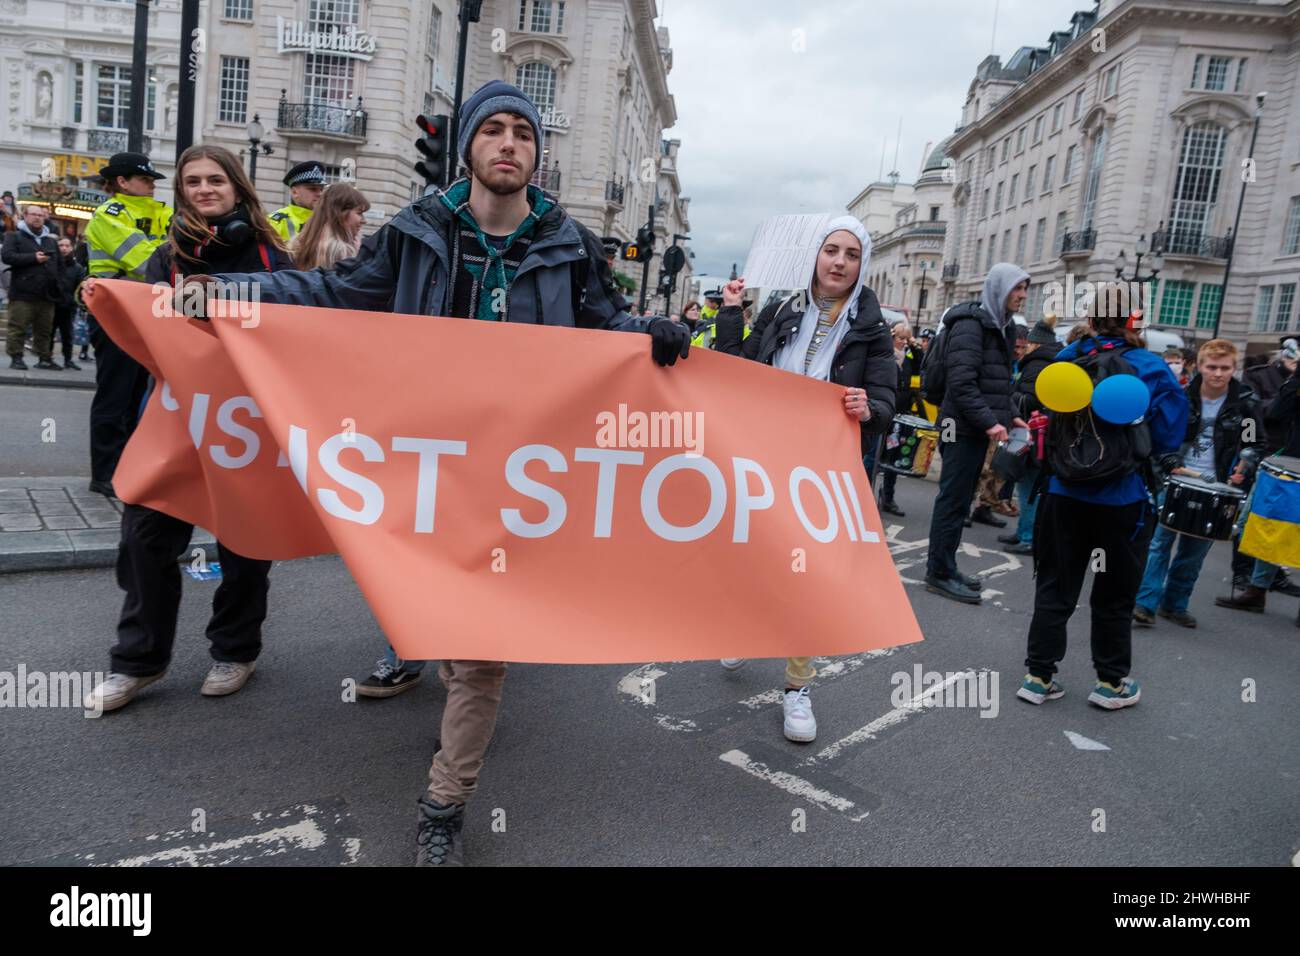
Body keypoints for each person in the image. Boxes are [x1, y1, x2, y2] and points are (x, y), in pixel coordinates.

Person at [177, 80, 686, 865]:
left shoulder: (570, 242)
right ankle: (431, 657)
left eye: (524, 132)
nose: (509, 143)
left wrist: (650, 330)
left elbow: (606, 323)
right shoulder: (417, 232)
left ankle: (444, 803)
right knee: (437, 620)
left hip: (520, 478)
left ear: (535, 157)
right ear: (471, 148)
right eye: (495, 131)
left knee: (481, 650)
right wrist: (232, 292)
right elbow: (334, 293)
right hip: (425, 467)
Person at [81, 144, 294, 719]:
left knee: (244, 543)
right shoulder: (167, 256)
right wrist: (107, 304)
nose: (204, 189)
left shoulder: (272, 255)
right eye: (193, 181)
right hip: (177, 420)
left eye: (215, 180)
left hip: (244, 425)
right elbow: (145, 325)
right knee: (145, 535)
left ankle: (236, 650)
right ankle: (138, 660)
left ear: (237, 186)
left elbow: (301, 329)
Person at [711, 214, 896, 744]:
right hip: (768, 453)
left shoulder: (871, 325)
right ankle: (748, 624)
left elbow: (887, 397)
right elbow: (736, 368)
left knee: (811, 574)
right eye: (831, 250)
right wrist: (729, 314)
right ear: (815, 255)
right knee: (757, 550)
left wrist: (870, 406)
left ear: (862, 265)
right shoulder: (781, 309)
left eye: (852, 254)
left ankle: (797, 688)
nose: (839, 262)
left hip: (825, 465)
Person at [1016, 285, 1187, 710]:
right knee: (1114, 592)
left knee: (1056, 585)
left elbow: (1034, 400)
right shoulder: (1150, 366)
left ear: (1089, 319)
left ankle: (1039, 677)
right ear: (1135, 321)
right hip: (1122, 499)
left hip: (1063, 492)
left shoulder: (1066, 359)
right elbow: (1169, 434)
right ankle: (1110, 683)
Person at [1133, 339, 1258, 628]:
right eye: (1212, 367)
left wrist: (1245, 461)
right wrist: (1168, 463)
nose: (1217, 373)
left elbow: (1254, 441)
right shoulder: (1180, 397)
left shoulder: (1245, 403)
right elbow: (1160, 436)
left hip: (1218, 487)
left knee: (1194, 552)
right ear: (1199, 366)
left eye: (1224, 368)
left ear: (1233, 369)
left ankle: (1175, 604)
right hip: (1176, 479)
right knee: (1160, 543)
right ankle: (1145, 603)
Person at [924, 263, 1029, 604]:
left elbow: (999, 384)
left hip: (976, 425)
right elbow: (962, 382)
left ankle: (947, 565)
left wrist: (1012, 417)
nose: (1023, 295)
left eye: (1025, 289)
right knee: (952, 498)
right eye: (1018, 288)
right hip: (958, 425)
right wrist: (990, 422)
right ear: (1000, 289)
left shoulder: (1004, 326)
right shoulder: (971, 325)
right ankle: (938, 572)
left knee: (962, 498)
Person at [84, 152, 172, 498]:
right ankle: (104, 473)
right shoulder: (108, 215)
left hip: (146, 314)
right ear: (122, 182)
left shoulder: (162, 212)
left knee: (140, 396)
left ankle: (129, 467)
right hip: (115, 313)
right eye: (146, 180)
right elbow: (147, 262)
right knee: (115, 396)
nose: (151, 186)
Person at [1216, 355, 1300, 617]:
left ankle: (1257, 588)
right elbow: (1276, 413)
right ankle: (1256, 589)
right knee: (1273, 526)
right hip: (1293, 463)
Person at [997, 314, 1061, 555]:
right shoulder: (1051, 361)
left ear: (1035, 344)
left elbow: (1032, 398)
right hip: (1042, 433)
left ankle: (1027, 537)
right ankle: (1023, 531)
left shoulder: (1036, 364)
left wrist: (1009, 397)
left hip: (1033, 433)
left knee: (1028, 487)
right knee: (1029, 486)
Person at [2, 204, 63, 370]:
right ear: (25, 216)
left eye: (40, 215)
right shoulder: (14, 236)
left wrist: (59, 284)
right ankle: (16, 357)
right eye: (33, 214)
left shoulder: (50, 240)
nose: (37, 217)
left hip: (47, 293)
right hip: (23, 293)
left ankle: (44, 358)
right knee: (18, 327)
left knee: (44, 330)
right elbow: (7, 257)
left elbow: (59, 265)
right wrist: (33, 258)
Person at [879, 318, 918, 516]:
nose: (904, 342)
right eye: (901, 338)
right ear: (892, 336)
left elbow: (922, 366)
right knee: (874, 456)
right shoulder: (884, 353)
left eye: (907, 339)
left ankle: (888, 497)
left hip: (901, 414)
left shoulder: (909, 357)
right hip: (884, 411)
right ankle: (864, 495)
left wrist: (915, 346)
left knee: (895, 457)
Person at [289, 183, 370, 270]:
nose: (364, 221)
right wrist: (358, 257)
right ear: (340, 214)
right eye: (359, 213)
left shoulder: (296, 245)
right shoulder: (343, 254)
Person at [268, 161, 326, 242]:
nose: (320, 194)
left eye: (321, 189)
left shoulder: (328, 221)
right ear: (294, 192)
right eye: (313, 189)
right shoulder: (276, 221)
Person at [52, 236, 85, 369]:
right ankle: (46, 357)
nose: (64, 248)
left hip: (68, 306)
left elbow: (79, 287)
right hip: (52, 305)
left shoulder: (77, 268)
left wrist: (74, 302)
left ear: (72, 248)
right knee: (49, 333)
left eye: (67, 246)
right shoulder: (52, 264)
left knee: (68, 335)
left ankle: (68, 359)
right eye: (61, 245)